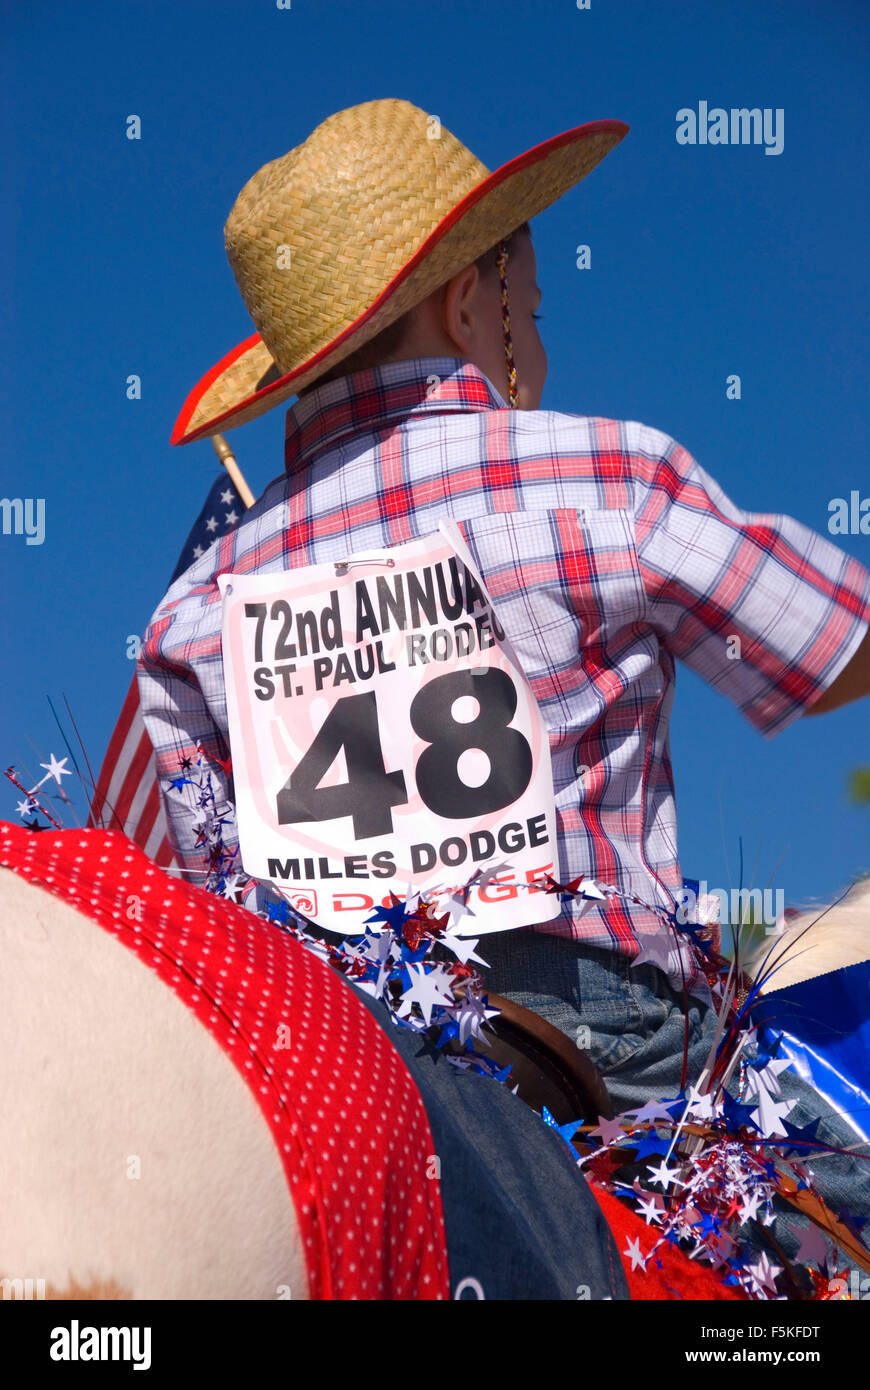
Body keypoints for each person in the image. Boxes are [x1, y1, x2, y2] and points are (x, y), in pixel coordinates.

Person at [139, 99, 870, 1264]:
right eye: (520, 275)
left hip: (337, 1065)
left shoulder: (190, 610)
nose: (534, 304)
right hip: (614, 1046)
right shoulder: (600, 475)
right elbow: (833, 646)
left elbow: (221, 883)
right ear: (464, 295)